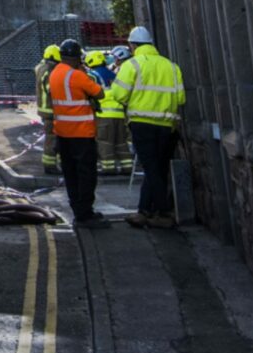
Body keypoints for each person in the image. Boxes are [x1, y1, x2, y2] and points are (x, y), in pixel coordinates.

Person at [109, 24, 186, 229]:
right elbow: (181, 97)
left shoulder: (132, 65)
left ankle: (163, 212)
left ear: (133, 46)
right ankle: (144, 211)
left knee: (151, 169)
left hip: (142, 124)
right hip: (167, 126)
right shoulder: (171, 66)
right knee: (158, 168)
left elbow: (118, 94)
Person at [48, 39, 105, 225]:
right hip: (81, 133)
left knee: (70, 173)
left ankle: (77, 210)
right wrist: (82, 72)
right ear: (76, 57)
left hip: (63, 133)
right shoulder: (77, 75)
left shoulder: (55, 73)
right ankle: (86, 213)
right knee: (87, 174)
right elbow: (99, 93)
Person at [96, 45, 133, 175]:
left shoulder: (124, 71)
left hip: (107, 114)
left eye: (116, 58)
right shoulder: (116, 72)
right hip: (120, 114)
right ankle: (128, 167)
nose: (114, 61)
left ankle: (109, 168)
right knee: (121, 142)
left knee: (105, 142)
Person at [35, 44, 61, 174]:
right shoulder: (50, 70)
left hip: (46, 109)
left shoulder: (41, 68)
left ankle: (52, 163)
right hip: (51, 110)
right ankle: (50, 166)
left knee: (52, 137)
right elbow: (52, 89)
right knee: (52, 138)